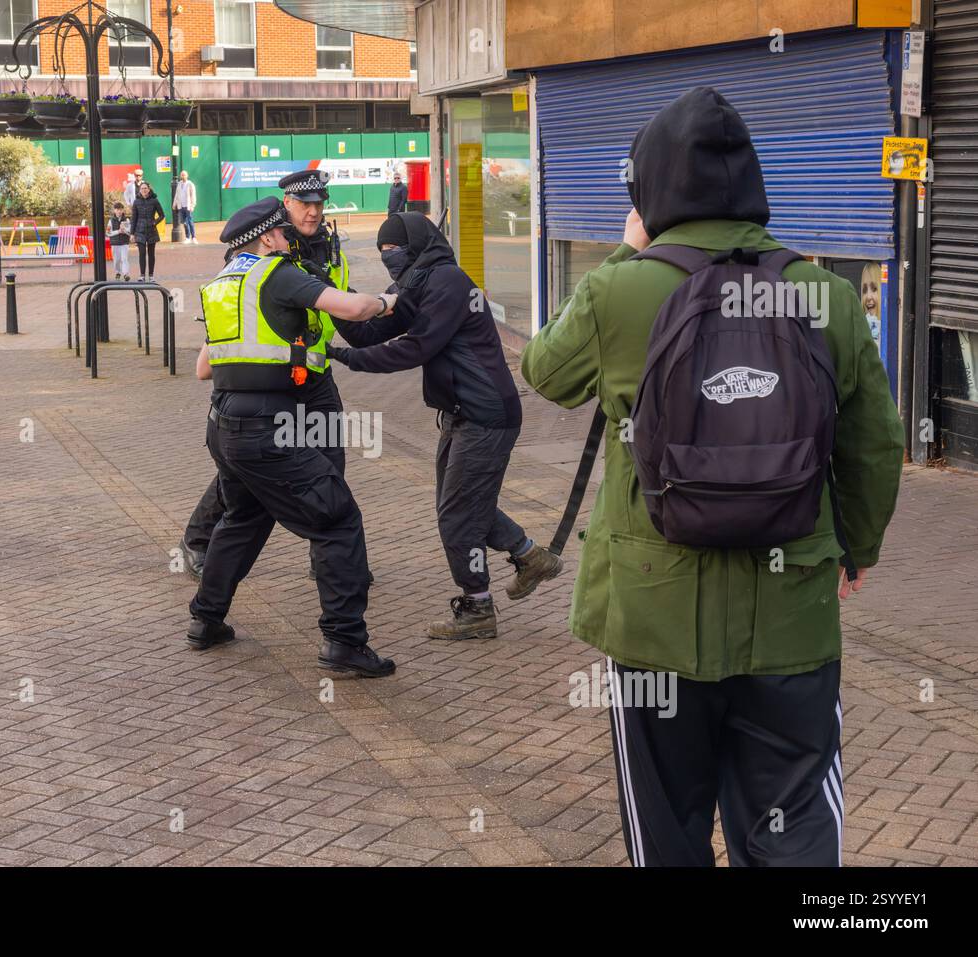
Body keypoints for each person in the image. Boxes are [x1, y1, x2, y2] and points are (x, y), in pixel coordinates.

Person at [520, 87, 904, 866]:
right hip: (791, 620)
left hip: (655, 620)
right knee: (795, 829)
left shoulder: (620, 291)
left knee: (668, 834)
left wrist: (628, 252)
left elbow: (544, 373)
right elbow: (873, 448)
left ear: (654, 190)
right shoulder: (826, 297)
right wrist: (854, 549)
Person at [187, 197, 402, 677]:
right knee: (336, 519)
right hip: (269, 428)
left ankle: (206, 620)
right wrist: (393, 300)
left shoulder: (222, 285)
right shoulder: (275, 273)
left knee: (242, 518)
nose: (291, 241)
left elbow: (204, 369)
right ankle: (344, 642)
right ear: (267, 238)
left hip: (223, 425)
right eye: (285, 234)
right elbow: (352, 307)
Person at [326, 212, 553, 640]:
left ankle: (477, 609)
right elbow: (369, 332)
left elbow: (414, 347)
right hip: (461, 413)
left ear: (417, 245)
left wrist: (343, 360)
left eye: (394, 250)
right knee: (461, 505)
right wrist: (333, 297)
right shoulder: (415, 282)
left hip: (487, 414)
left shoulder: (446, 281)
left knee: (456, 516)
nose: (389, 258)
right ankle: (529, 556)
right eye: (382, 253)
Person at [178, 168, 351, 579]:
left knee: (329, 461)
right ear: (285, 205)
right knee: (240, 473)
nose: (313, 212)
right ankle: (198, 541)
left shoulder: (329, 247)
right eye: (304, 204)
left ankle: (329, 553)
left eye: (319, 203)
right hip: (269, 377)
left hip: (315, 371)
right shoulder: (264, 245)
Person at [130, 180, 165, 282]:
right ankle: (141, 275)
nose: (144, 190)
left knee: (151, 253)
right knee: (141, 253)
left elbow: (162, 215)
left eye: (145, 188)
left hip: (151, 230)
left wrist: (155, 222)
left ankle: (151, 275)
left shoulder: (154, 201)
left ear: (149, 190)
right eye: (142, 189)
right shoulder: (136, 202)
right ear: (139, 190)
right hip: (139, 230)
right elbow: (134, 218)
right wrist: (132, 233)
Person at [108, 201, 132, 281]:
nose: (119, 211)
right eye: (117, 209)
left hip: (124, 242)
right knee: (116, 260)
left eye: (120, 209)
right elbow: (108, 233)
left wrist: (124, 230)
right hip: (115, 243)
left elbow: (130, 232)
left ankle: (126, 274)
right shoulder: (111, 221)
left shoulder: (127, 220)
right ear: (114, 210)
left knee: (124, 259)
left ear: (123, 210)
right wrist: (118, 231)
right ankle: (117, 272)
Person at [173, 171, 198, 244]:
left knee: (189, 221)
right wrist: (174, 204)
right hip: (181, 206)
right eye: (182, 175)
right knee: (184, 222)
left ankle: (193, 237)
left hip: (188, 206)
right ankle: (187, 237)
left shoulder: (190, 184)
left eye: (184, 175)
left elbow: (193, 196)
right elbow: (177, 195)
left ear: (187, 176)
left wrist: (192, 205)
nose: (183, 176)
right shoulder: (179, 184)